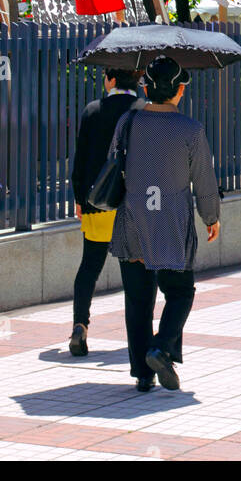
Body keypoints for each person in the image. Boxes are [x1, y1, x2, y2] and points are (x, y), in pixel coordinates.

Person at [110, 56, 220, 391]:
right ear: (180, 90)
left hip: (133, 220)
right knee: (180, 291)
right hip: (172, 222)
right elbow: (204, 180)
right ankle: (161, 348)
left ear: (145, 87)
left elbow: (114, 162)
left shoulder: (128, 123)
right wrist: (211, 217)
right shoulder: (191, 130)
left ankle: (143, 373)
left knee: (138, 298)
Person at [68, 67, 143, 356]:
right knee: (136, 271)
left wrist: (79, 197)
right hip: (134, 205)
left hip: (98, 203)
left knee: (89, 266)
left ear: (111, 80)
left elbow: (81, 159)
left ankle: (80, 325)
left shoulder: (93, 110)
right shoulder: (143, 110)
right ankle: (138, 334)